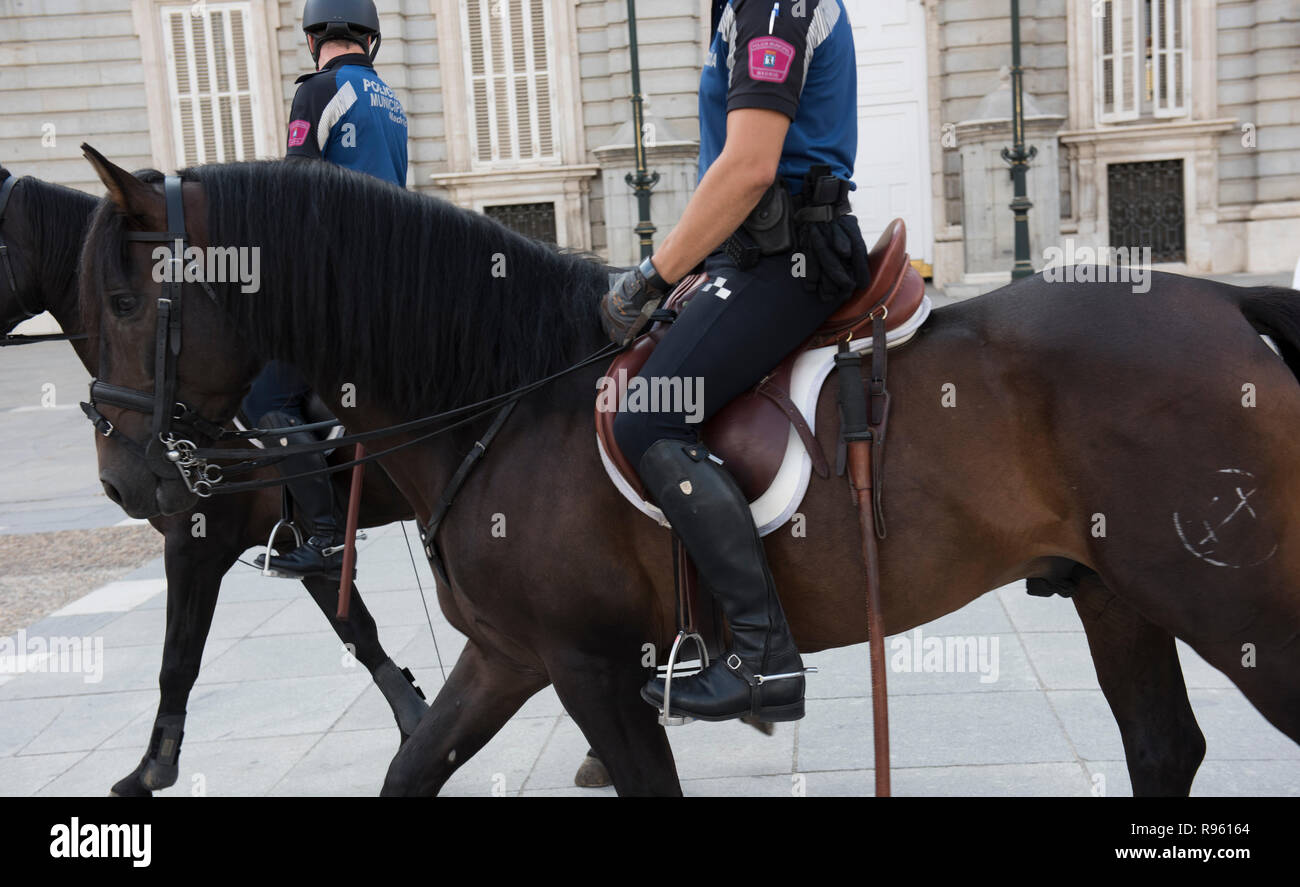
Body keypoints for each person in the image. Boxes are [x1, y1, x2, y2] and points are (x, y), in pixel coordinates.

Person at [605, 0, 870, 722]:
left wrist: (650, 274)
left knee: (649, 421)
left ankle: (761, 659)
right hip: (757, 252)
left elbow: (751, 165)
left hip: (787, 259)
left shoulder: (770, 7)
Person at [250, 0, 408, 578]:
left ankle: (326, 538)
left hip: (340, 281)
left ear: (315, 38)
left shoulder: (316, 91)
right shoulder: (390, 101)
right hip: (391, 277)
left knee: (263, 396)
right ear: (371, 39)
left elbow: (295, 191)